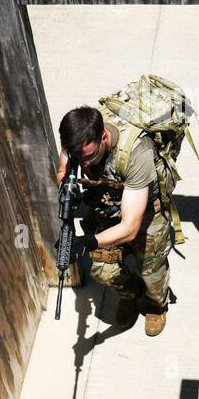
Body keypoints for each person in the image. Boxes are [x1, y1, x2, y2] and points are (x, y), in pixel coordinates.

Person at [56, 106, 174, 337]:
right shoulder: (76, 140)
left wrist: (87, 242)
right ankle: (132, 294)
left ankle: (156, 306)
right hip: (110, 205)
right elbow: (63, 170)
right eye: (79, 158)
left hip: (147, 212)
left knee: (152, 272)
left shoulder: (136, 153)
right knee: (101, 268)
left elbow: (130, 228)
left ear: (104, 137)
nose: (85, 164)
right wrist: (66, 188)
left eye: (89, 157)